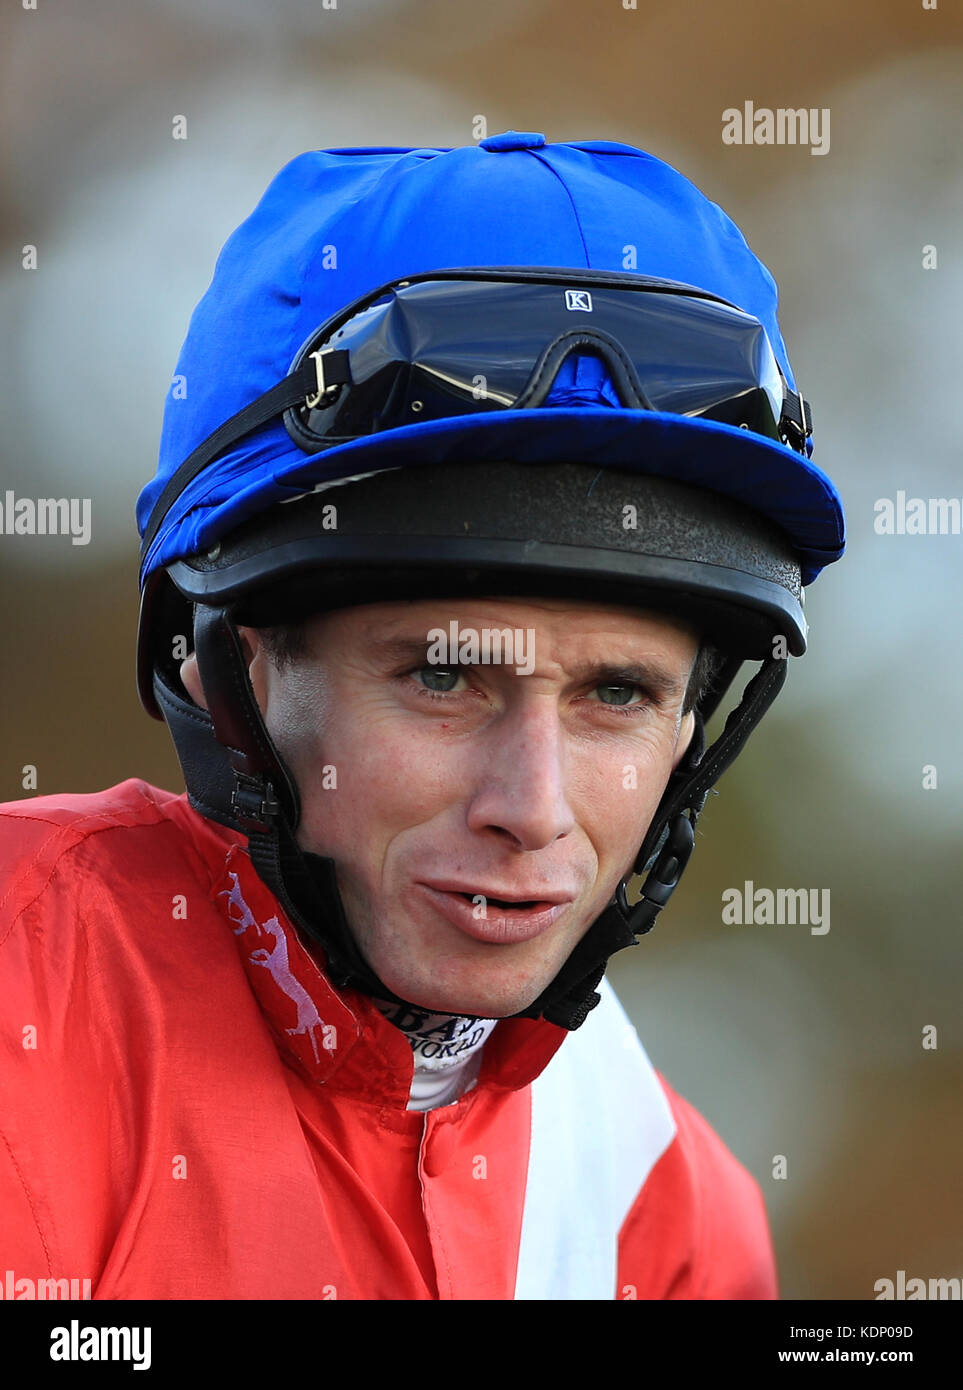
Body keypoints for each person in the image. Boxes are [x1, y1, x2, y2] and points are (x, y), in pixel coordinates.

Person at [0, 132, 845, 1301]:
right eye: (444, 678)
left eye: (619, 693)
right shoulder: (21, 1008)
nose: (533, 809)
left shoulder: (666, 1205)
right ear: (225, 670)